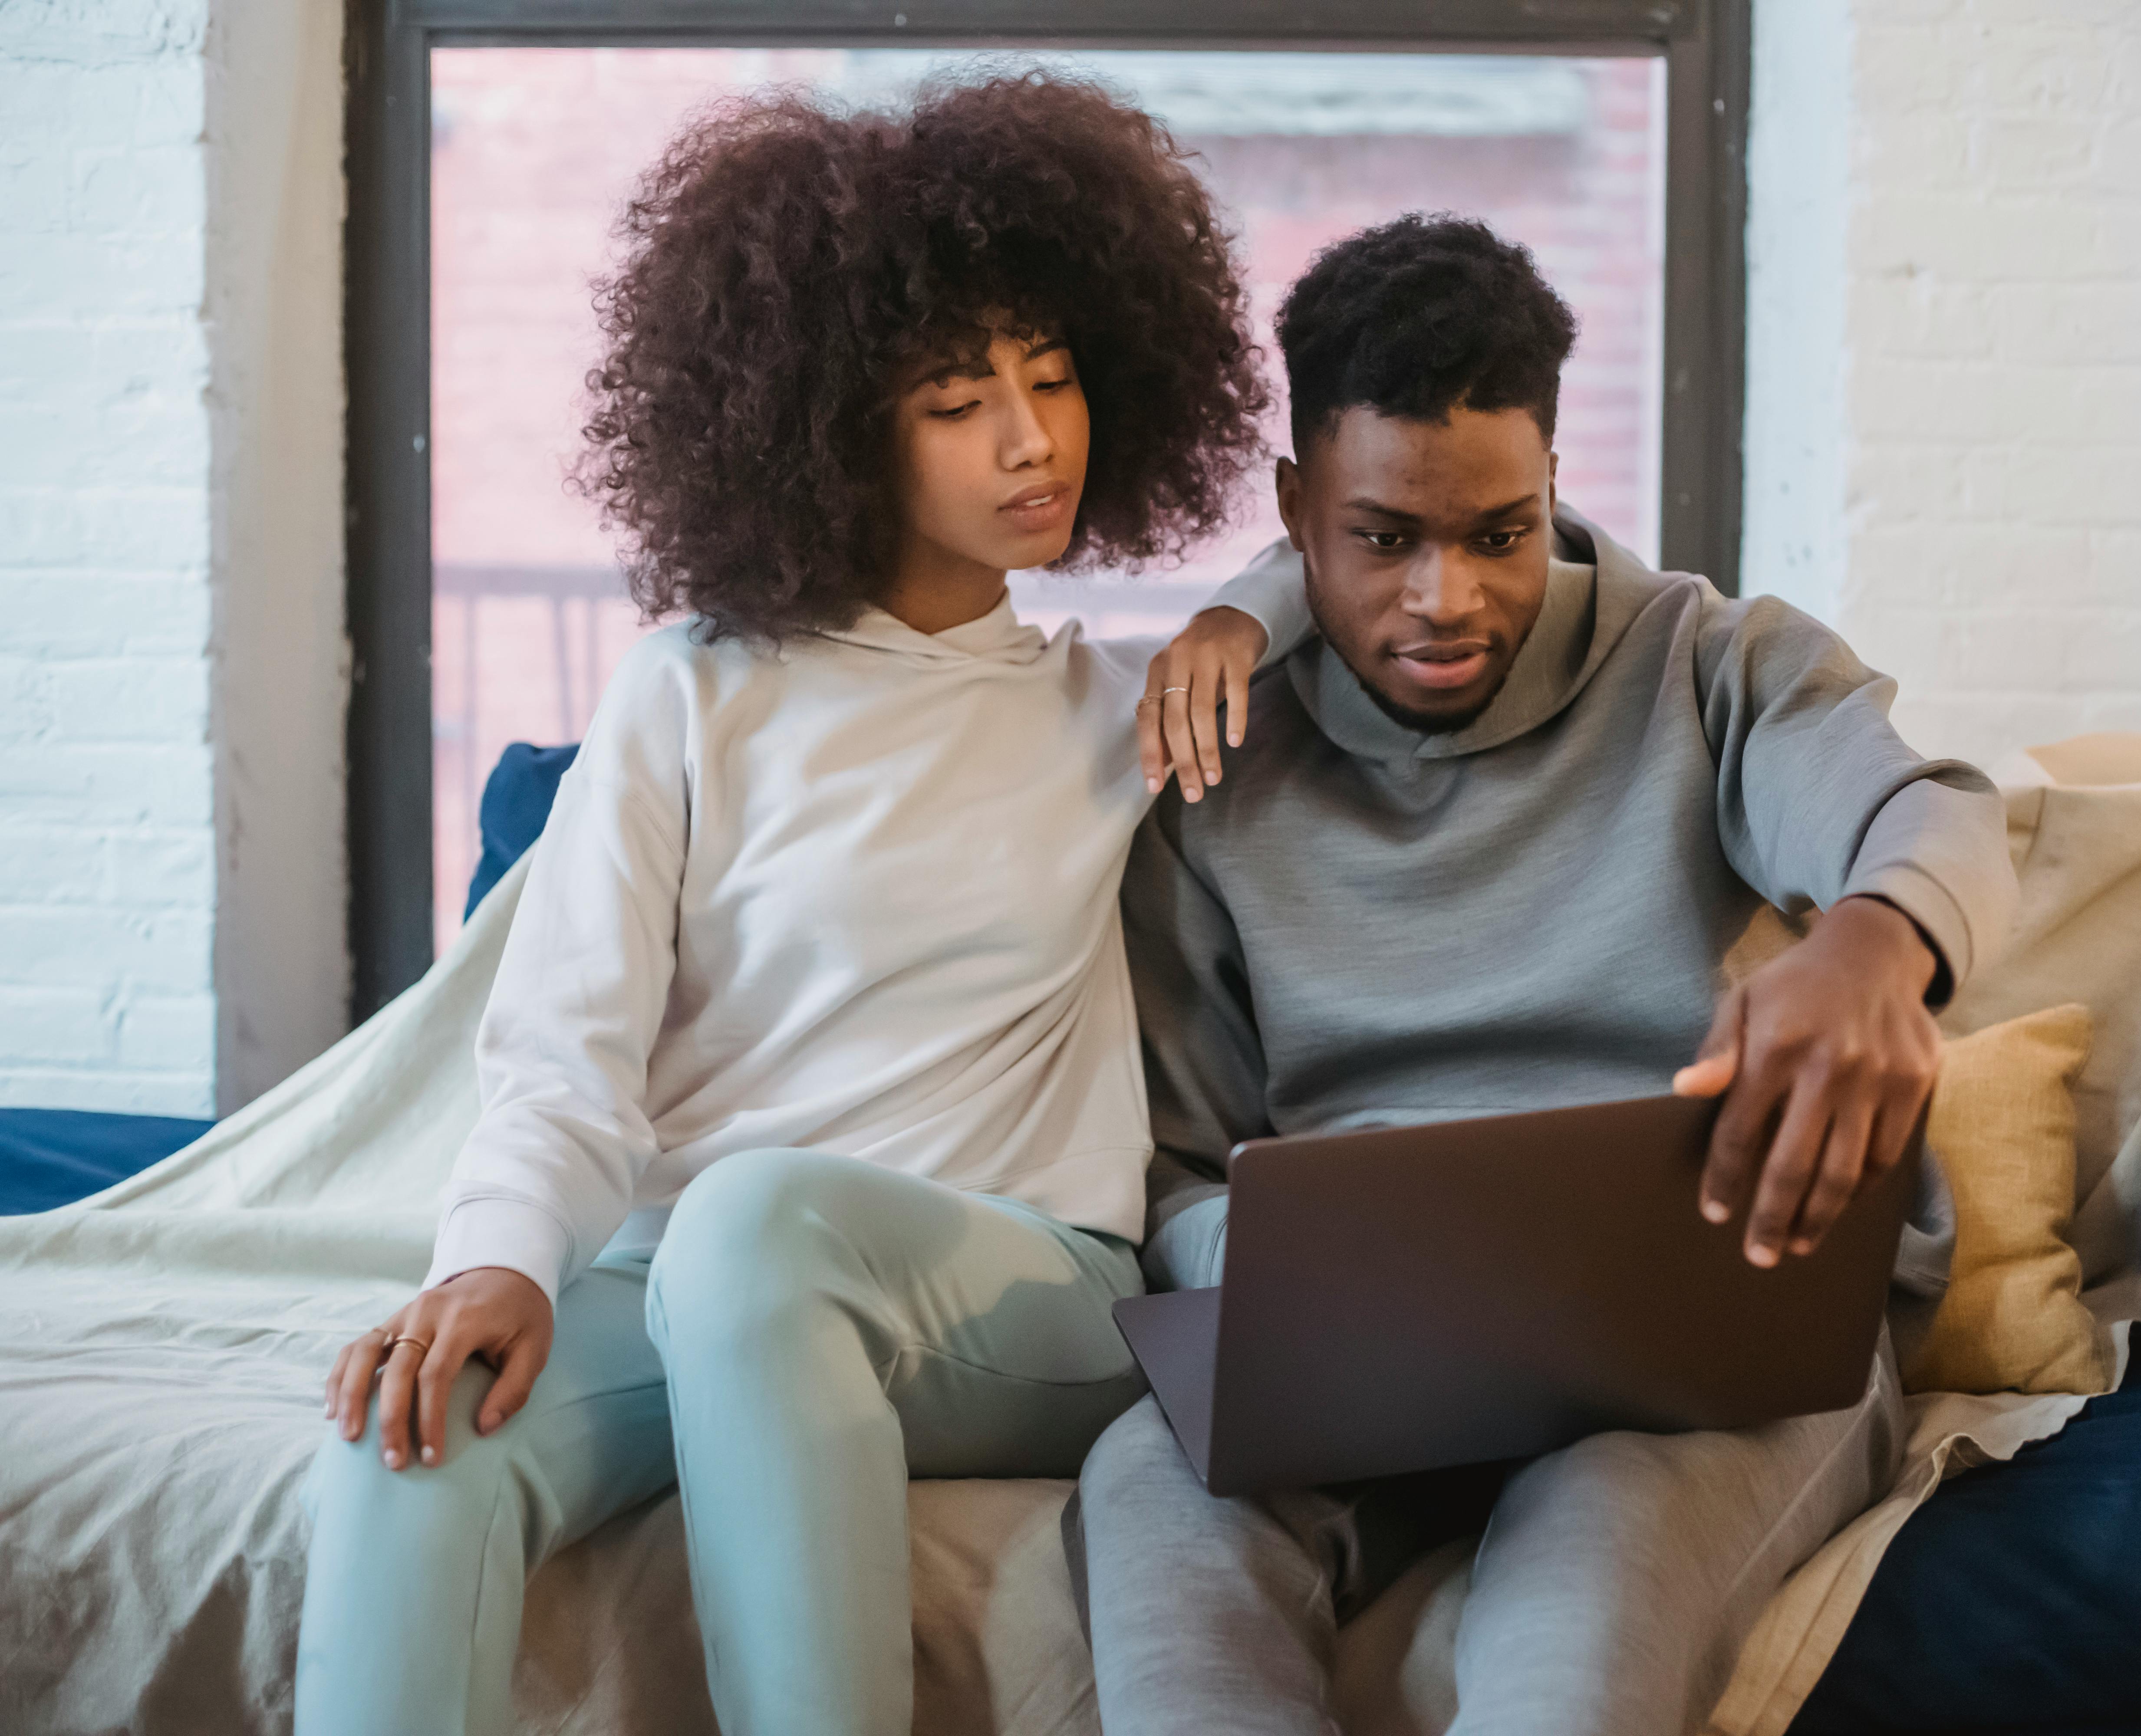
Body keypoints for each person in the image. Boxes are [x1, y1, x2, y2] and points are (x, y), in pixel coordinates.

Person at [298, 75, 1308, 1736]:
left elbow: (1422, 551)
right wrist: (500, 1266)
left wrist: (1245, 613)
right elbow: (564, 1048)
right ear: (833, 418)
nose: (1032, 438)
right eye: (957, 397)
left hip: (1023, 1292)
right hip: (703, 1275)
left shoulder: (1116, 710)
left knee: (758, 1226)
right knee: (418, 1435)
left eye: (1054, 380)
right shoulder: (687, 692)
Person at [1073, 214, 2019, 1736]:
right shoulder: (1218, 753)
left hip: (1699, 1348)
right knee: (1147, 1482)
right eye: (1386, 539)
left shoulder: (1708, 662)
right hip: (1356, 1357)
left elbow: (1937, 814)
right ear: (1296, 515)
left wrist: (1873, 943)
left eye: (1500, 534)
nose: (1448, 599)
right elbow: (1183, 1173)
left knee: (1575, 1650)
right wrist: (1297, 1293)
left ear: (1556, 488)